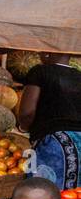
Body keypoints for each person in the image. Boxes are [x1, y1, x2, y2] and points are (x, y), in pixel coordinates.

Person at [18, 52, 81, 190]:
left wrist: (23, 127)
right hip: (79, 143)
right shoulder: (79, 75)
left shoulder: (40, 71)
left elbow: (27, 113)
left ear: (47, 53)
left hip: (54, 144)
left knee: (43, 194)